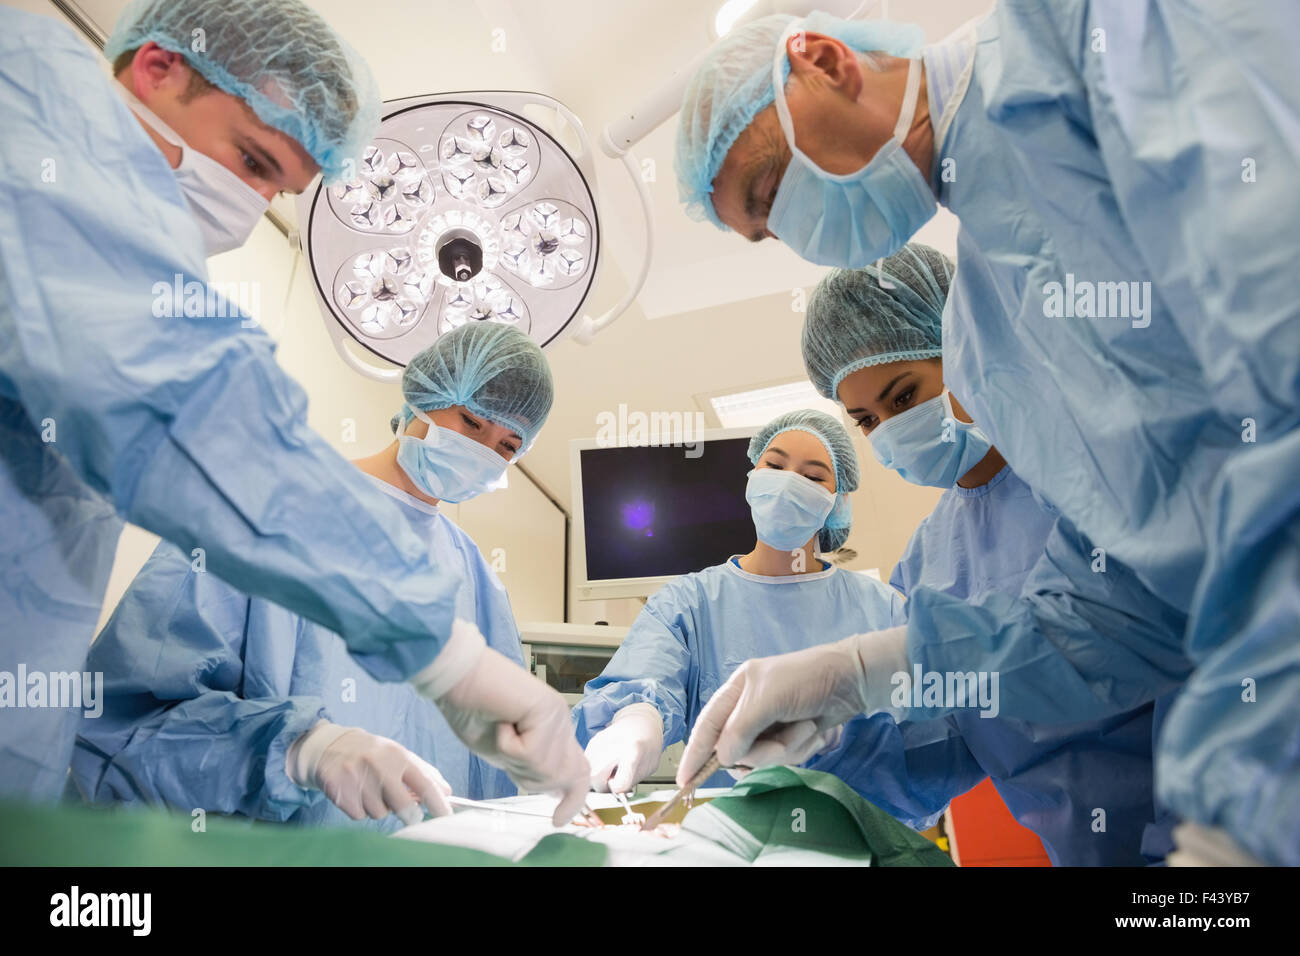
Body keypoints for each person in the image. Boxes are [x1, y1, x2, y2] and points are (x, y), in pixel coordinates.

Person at [671, 5, 1299, 861]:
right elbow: (1125, 615)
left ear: (822, 60)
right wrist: (858, 679)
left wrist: (1256, 790)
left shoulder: (1085, 30)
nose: (792, 232)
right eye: (766, 229)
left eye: (772, 188)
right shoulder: (990, 330)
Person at [0, 0, 585, 823]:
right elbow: (195, 410)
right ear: (159, 65)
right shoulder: (27, 97)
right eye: (251, 157)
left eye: (276, 187)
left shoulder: (466, 574)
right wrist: (309, 741)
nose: (246, 209)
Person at [72, 323, 547, 831]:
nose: (483, 450)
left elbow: (496, 772)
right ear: (427, 393)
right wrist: (302, 748)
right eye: (473, 422)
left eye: (506, 445)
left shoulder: (478, 579)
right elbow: (126, 725)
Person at [800, 245, 1175, 865]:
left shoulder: (1093, 469)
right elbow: (942, 746)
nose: (891, 428)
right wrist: (819, 750)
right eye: (865, 419)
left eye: (903, 396)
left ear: (969, 345)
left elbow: (1095, 644)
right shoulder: (923, 566)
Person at [573, 409, 905, 793]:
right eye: (775, 466)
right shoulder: (690, 603)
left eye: (812, 477)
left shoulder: (883, 609)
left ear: (837, 503)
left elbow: (921, 731)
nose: (786, 485)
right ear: (751, 476)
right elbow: (648, 675)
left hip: (858, 833)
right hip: (733, 835)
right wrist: (635, 718)